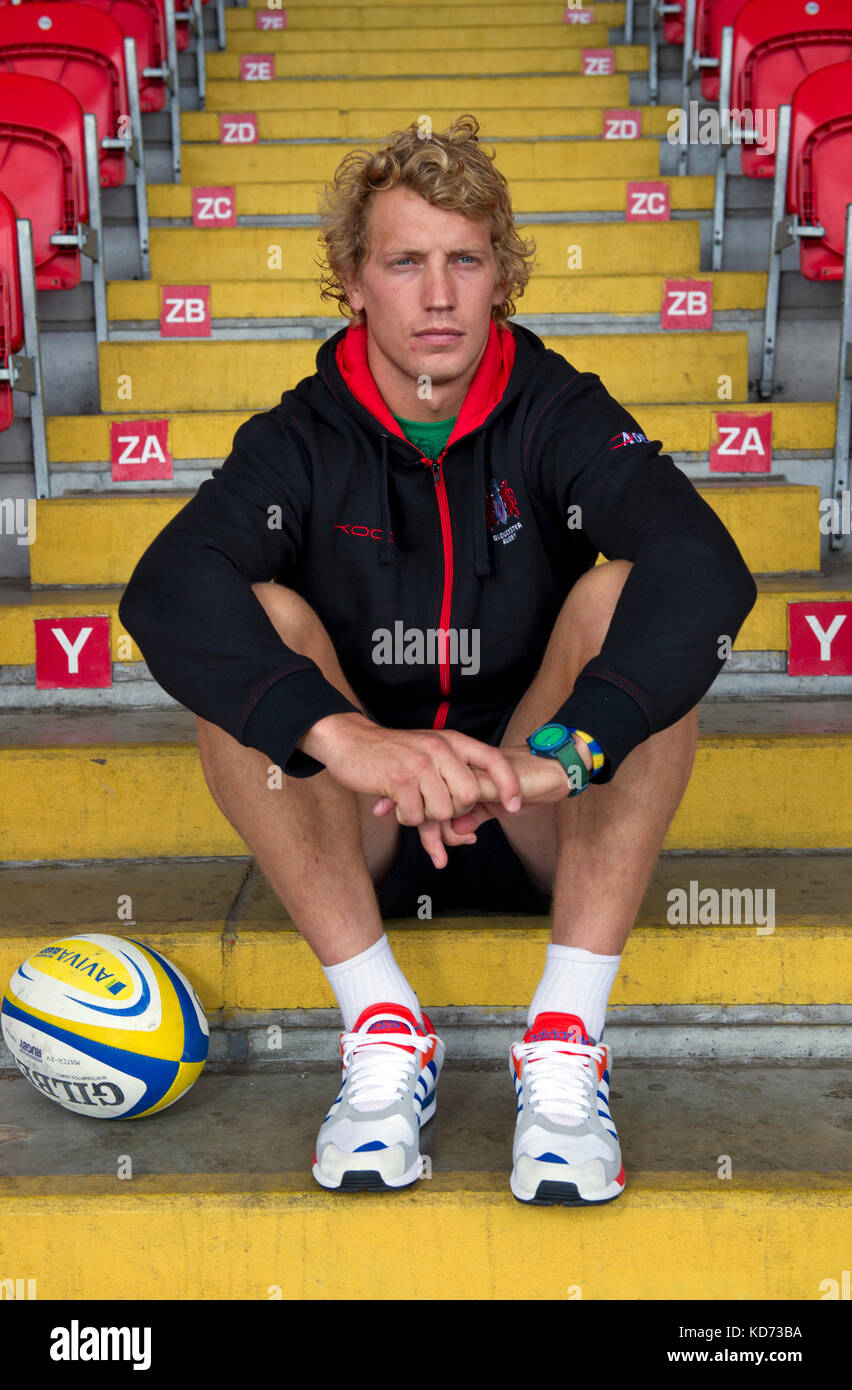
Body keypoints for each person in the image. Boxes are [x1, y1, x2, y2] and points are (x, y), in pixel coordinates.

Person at [119, 114, 757, 1206]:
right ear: (352, 281)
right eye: (404, 261)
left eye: (465, 259)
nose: (439, 294)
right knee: (252, 614)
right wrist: (347, 737)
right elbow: (166, 588)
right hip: (355, 818)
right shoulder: (300, 438)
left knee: (624, 591)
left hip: (537, 796)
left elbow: (704, 564)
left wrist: (576, 745)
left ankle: (563, 1047)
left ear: (503, 276)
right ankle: (382, 1028)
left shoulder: (559, 408)